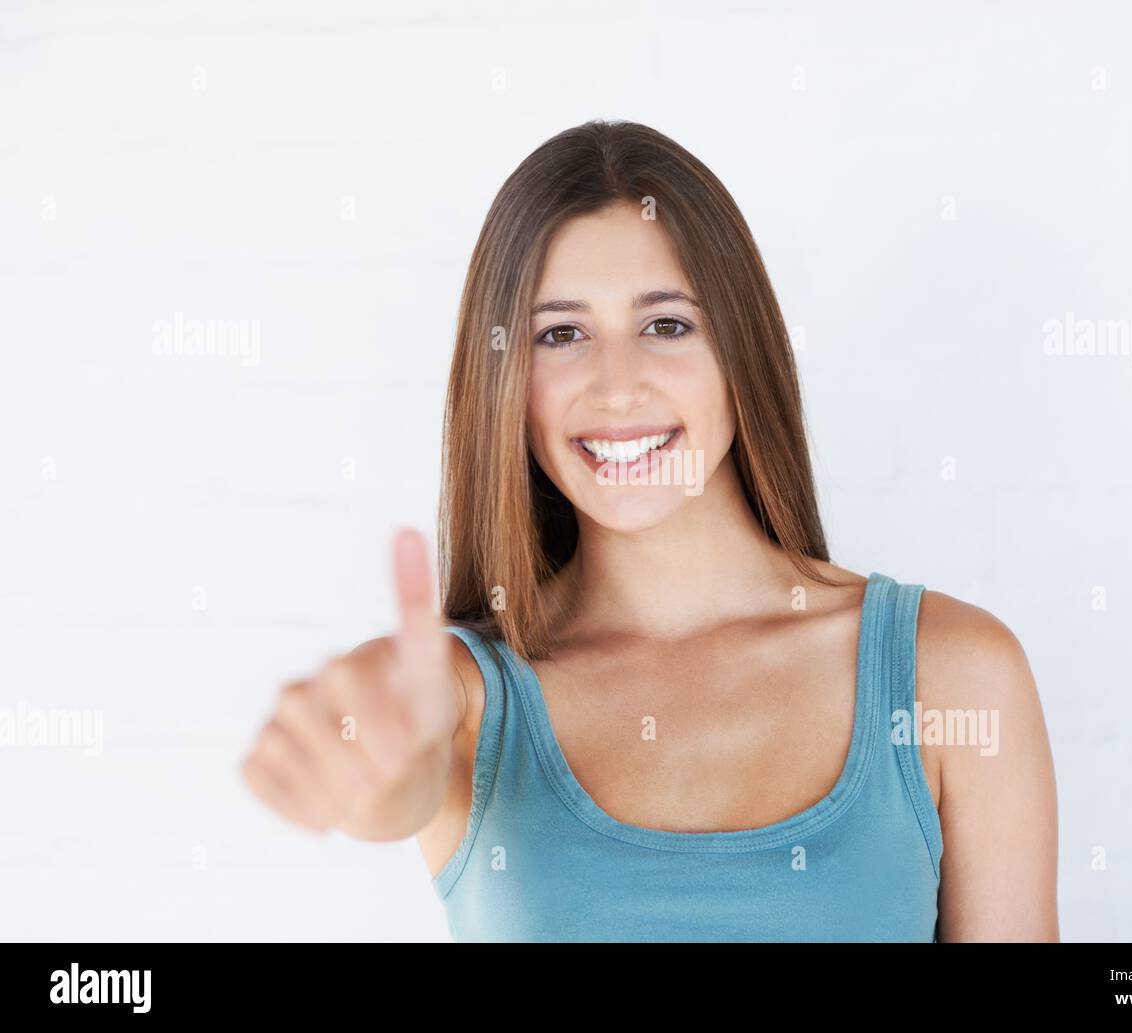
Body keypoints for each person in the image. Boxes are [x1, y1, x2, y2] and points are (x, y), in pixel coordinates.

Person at [241, 120, 1059, 942]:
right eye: (561, 334)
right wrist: (359, 746)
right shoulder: (464, 698)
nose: (619, 388)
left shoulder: (952, 676)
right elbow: (399, 776)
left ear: (742, 349)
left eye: (666, 324)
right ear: (508, 386)